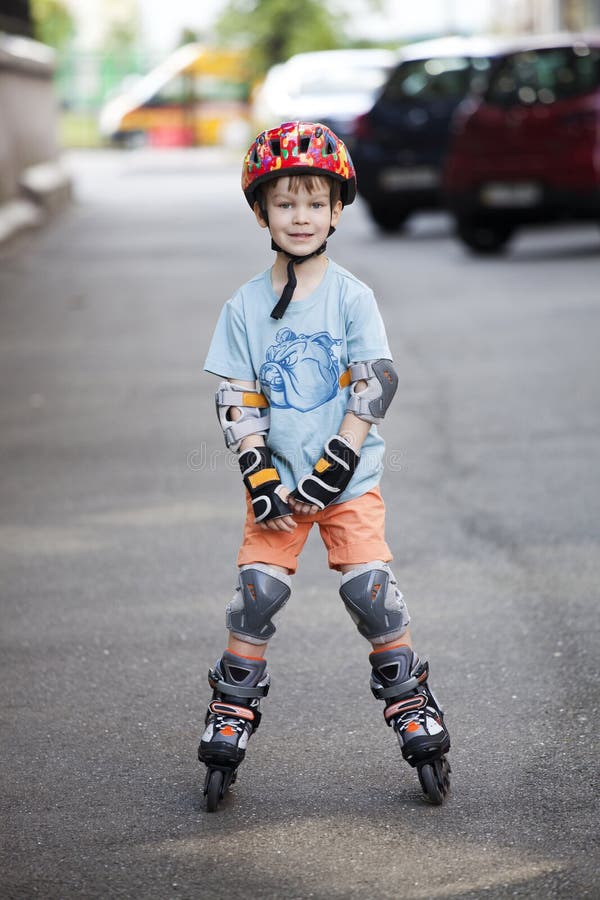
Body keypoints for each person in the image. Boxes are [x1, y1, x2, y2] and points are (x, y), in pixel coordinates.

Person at [198, 121, 451, 807]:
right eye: (285, 203)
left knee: (371, 593)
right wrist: (259, 472)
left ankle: (410, 698)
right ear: (261, 212)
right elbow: (238, 398)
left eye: (315, 202)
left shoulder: (351, 297)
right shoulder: (245, 307)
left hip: (347, 484)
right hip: (278, 486)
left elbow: (375, 381)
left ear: (338, 209)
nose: (301, 215)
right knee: (257, 595)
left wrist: (338, 457)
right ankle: (231, 707)